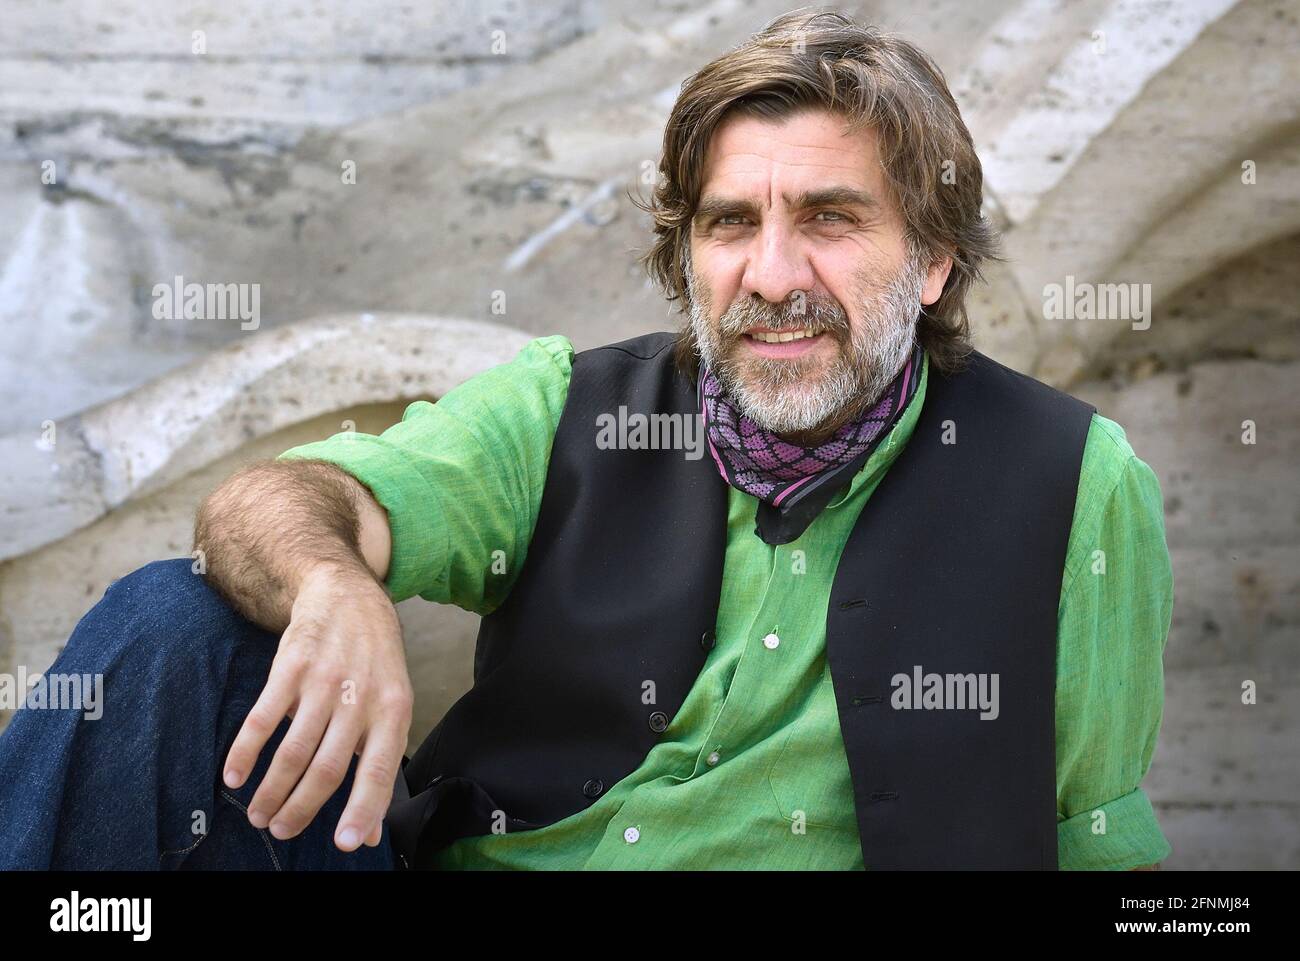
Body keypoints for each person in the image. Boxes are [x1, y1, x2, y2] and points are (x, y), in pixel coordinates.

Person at [0, 10, 1172, 870]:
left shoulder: (1072, 483)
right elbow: (267, 501)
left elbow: (1092, 836)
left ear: (930, 260)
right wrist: (328, 574)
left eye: (829, 219)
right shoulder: (566, 408)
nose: (771, 275)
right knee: (175, 618)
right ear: (689, 258)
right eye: (729, 225)